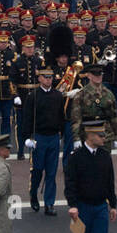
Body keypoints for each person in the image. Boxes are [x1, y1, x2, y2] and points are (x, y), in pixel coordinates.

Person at [65, 121, 117, 233]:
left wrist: (113, 204)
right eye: (100, 135)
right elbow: (70, 183)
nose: (103, 138)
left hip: (101, 208)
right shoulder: (76, 157)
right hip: (82, 208)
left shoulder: (105, 156)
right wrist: (72, 205)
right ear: (89, 136)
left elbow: (110, 182)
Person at [22, 67, 66, 214]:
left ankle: (49, 204)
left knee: (52, 173)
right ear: (40, 78)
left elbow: (61, 117)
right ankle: (33, 194)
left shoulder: (58, 96)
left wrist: (61, 135)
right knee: (38, 170)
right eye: (45, 77)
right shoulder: (33, 96)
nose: (48, 80)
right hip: (39, 137)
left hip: (53, 137)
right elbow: (27, 118)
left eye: (50, 77)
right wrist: (27, 137)